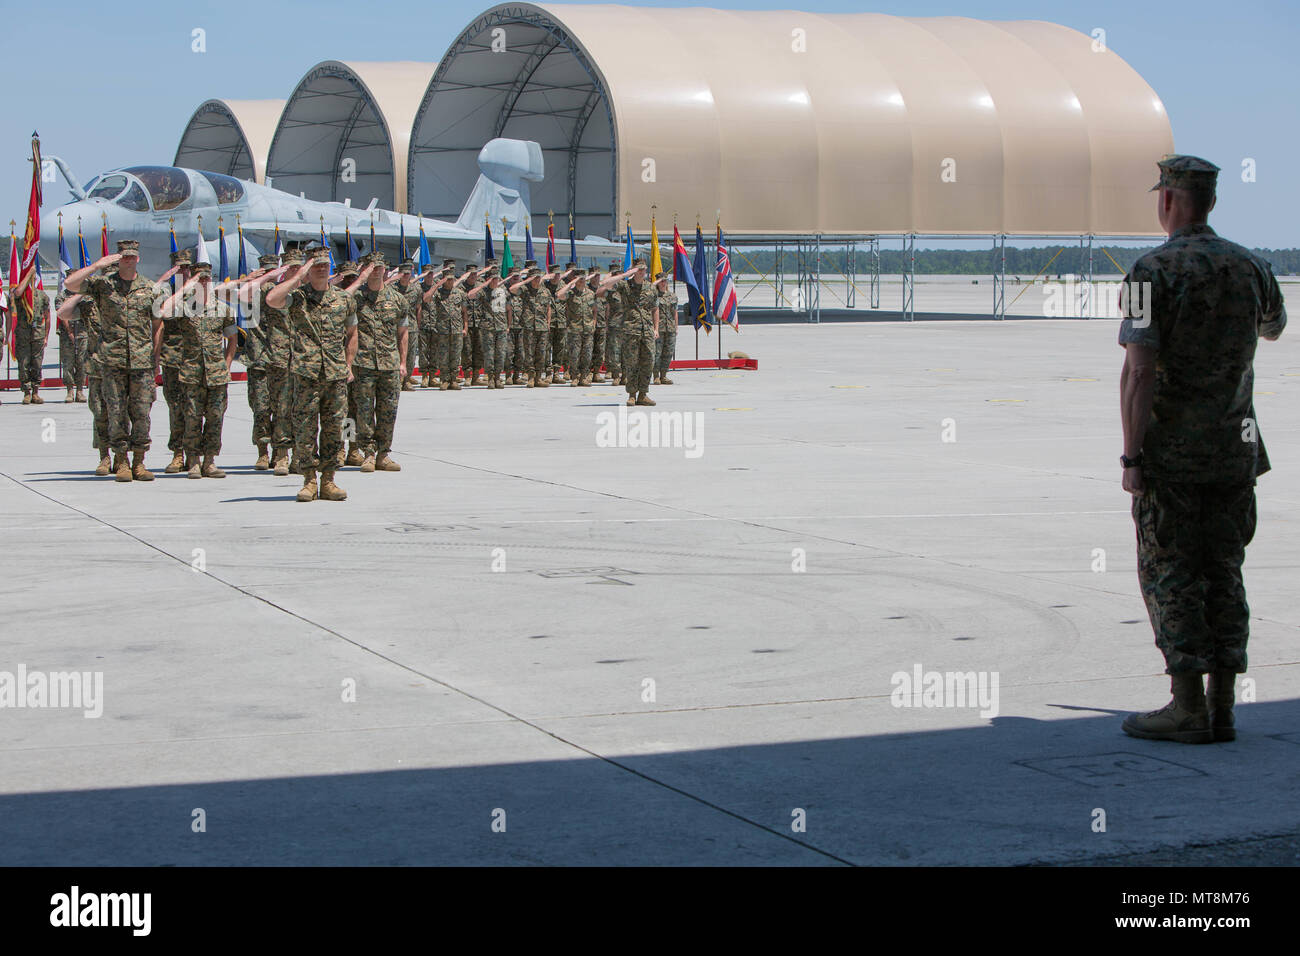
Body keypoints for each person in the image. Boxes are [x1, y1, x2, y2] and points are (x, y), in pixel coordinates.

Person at [1119, 155, 1287, 744]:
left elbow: (1138, 373)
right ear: (1210, 202)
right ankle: (1224, 707)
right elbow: (1274, 327)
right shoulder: (1251, 266)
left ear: (1167, 200)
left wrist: (1132, 457)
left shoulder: (1149, 273)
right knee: (1224, 570)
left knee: (1172, 571)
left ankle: (1187, 704)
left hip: (1172, 455)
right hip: (1236, 450)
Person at [265, 247, 363, 502]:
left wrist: (349, 365)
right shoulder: (298, 297)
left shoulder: (344, 299)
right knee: (306, 429)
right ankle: (309, 481)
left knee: (334, 429)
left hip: (335, 375)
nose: (321, 268)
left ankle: (328, 480)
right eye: (316, 265)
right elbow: (272, 300)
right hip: (306, 374)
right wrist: (300, 275)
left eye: (324, 264)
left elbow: (352, 333)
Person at [64, 240, 163, 481]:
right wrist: (97, 265)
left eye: (132, 256)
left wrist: (156, 358)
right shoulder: (103, 285)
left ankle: (139, 461)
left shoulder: (151, 288)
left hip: (141, 362)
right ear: (118, 259)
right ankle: (121, 462)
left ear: (137, 258)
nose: (128, 260)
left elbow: (158, 324)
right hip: (112, 361)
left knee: (141, 413)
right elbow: (70, 284)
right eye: (124, 257)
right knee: (116, 413)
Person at [160, 261, 238, 478]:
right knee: (192, 417)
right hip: (191, 372)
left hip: (216, 373)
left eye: (206, 278)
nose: (203, 281)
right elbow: (163, 311)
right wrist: (186, 287)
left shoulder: (223, 309)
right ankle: (193, 461)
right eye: (199, 278)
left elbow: (233, 339)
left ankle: (210, 461)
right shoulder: (184, 308)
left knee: (215, 417)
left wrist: (227, 364)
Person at [347, 251, 407, 472]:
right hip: (363, 363)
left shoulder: (397, 299)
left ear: (385, 269)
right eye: (372, 267)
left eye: (379, 267)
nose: (376, 271)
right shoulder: (355, 298)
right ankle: (368, 453)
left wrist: (403, 362)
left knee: (388, 411)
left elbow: (403, 333)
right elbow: (348, 329)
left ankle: (384, 453)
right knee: (363, 411)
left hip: (389, 363)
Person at [55, 285, 108, 471]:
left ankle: (123, 458)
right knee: (100, 411)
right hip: (97, 365)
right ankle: (105, 457)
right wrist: (81, 293)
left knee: (123, 414)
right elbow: (62, 312)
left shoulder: (123, 302)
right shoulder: (88, 303)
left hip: (120, 365)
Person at [241, 253, 285, 469]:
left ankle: (279, 451)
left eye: (272, 272)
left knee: (281, 408)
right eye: (265, 272)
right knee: (260, 408)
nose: (269, 277)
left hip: (279, 361)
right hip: (257, 360)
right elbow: (238, 294)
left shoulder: (283, 294)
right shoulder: (251, 295)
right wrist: (251, 279)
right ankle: (262, 451)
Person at [599, 259, 658, 406]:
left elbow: (655, 308)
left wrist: (656, 328)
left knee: (648, 362)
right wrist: (626, 274)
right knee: (631, 363)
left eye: (643, 269)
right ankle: (632, 394)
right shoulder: (625, 286)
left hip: (647, 330)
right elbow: (605, 284)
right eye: (638, 269)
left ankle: (643, 394)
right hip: (630, 330)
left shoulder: (650, 288)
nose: (641, 272)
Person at [156, 249, 192, 471]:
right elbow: (159, 324)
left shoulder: (201, 294)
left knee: (198, 410)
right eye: (179, 268)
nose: (184, 271)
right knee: (176, 409)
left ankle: (197, 455)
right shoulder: (164, 295)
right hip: (172, 361)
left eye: (187, 267)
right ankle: (178, 453)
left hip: (196, 362)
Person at [9, 269, 51, 404]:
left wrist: (46, 337)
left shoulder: (42, 295)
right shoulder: (21, 295)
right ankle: (26, 392)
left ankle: (35, 393)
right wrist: (27, 274)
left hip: (38, 334)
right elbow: (17, 292)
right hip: (23, 335)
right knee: (24, 363)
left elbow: (47, 317)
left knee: (37, 364)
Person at [55, 282, 89, 403]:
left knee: (82, 363)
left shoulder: (85, 296)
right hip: (67, 335)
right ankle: (70, 391)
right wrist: (69, 331)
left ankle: (80, 391)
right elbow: (61, 314)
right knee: (68, 362)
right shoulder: (62, 296)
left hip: (83, 333)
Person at [393, 259, 422, 391]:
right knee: (397, 353)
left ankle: (406, 380)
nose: (406, 275)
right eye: (403, 273)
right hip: (395, 327)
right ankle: (396, 381)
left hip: (411, 326)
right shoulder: (393, 288)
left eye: (408, 273)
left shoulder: (416, 289)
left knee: (410, 355)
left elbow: (418, 308)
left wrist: (418, 324)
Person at [653, 272, 678, 385]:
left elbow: (675, 312)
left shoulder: (672, 296)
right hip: (659, 328)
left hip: (670, 328)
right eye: (661, 281)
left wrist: (676, 327)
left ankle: (664, 375)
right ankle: (656, 376)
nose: (663, 283)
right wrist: (655, 328)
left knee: (668, 353)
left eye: (665, 281)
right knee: (657, 353)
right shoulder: (654, 295)